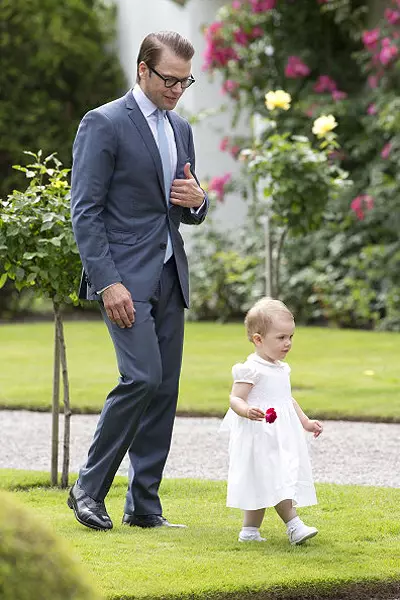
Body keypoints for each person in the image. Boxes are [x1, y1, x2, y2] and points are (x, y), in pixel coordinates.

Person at [68, 31, 208, 531]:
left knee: (165, 389)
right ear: (142, 70)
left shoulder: (181, 128)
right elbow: (85, 212)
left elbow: (184, 205)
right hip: (124, 280)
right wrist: (107, 282)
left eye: (184, 81)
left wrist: (199, 202)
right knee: (142, 377)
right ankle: (88, 488)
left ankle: (144, 506)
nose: (176, 89)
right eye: (169, 79)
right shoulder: (103, 123)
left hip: (171, 272)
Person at [220, 297, 323, 545]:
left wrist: (306, 422)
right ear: (258, 339)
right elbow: (235, 399)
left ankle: (249, 532)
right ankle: (294, 525)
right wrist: (246, 410)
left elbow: (287, 400)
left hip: (280, 435)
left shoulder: (281, 368)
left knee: (265, 480)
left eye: (290, 337)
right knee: (275, 476)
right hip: (260, 436)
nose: (288, 343)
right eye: (281, 338)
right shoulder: (251, 369)